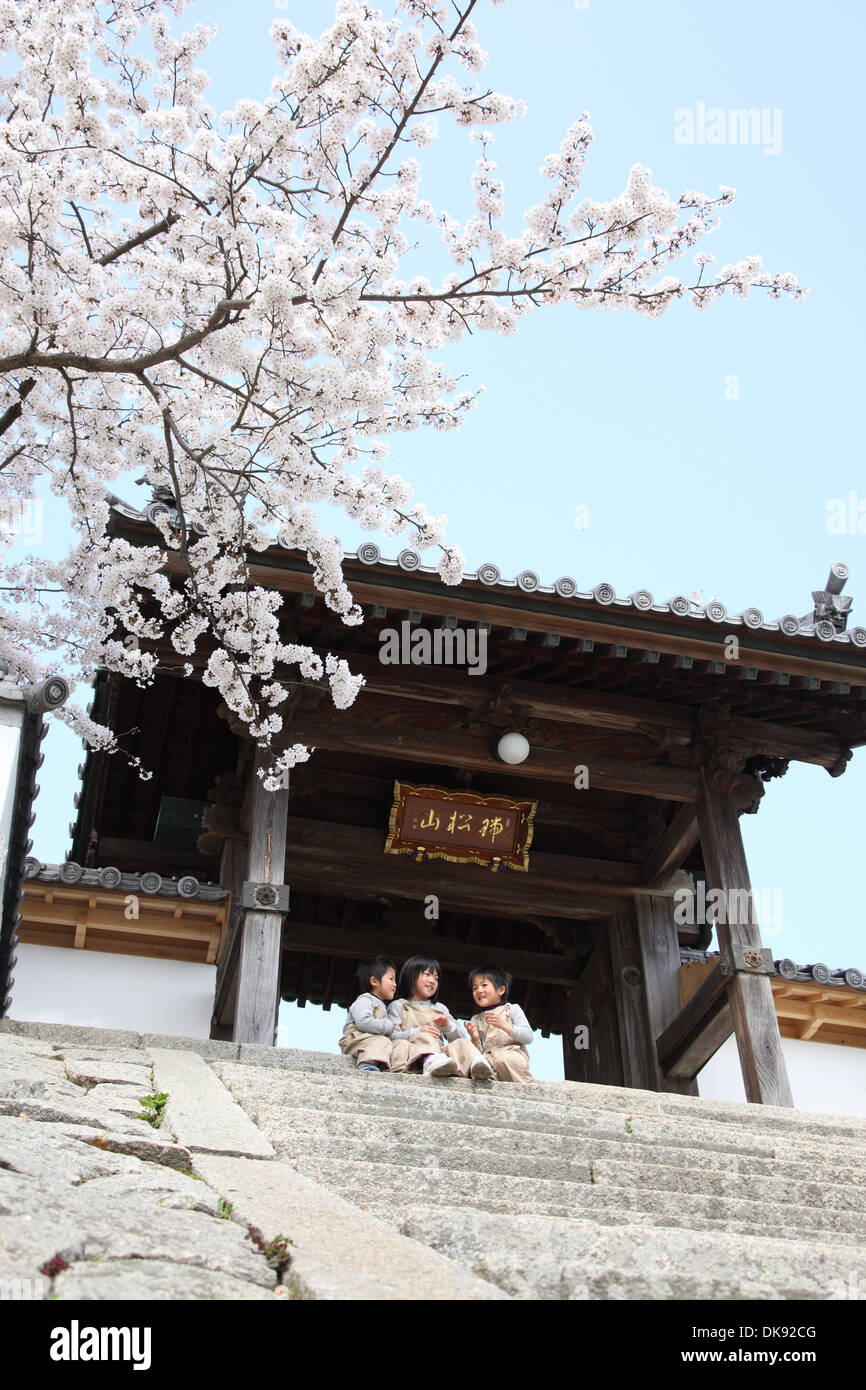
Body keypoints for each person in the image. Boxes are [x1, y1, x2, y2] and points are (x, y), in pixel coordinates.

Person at [388, 956, 494, 1080]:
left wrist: (446, 1025)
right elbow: (391, 1036)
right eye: (427, 974)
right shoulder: (398, 1006)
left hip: (440, 1057)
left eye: (436, 978)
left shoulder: (440, 1008)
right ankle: (429, 1061)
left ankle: (477, 1065)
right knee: (425, 1036)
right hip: (412, 1053)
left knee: (462, 1043)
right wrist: (417, 1032)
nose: (432, 981)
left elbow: (459, 1037)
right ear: (410, 976)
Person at [465, 965, 536, 1082]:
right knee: (476, 1064)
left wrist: (505, 1026)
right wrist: (475, 1040)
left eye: (484, 985)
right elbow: (479, 1051)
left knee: (503, 1060)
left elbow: (528, 1037)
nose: (479, 991)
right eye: (474, 988)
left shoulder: (512, 1009)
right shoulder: (476, 1019)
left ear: (501, 990)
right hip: (488, 1058)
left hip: (511, 1055)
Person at [339, 956, 398, 1072]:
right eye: (391, 979)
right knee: (382, 1041)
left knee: (398, 1045)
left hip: (371, 1042)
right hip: (356, 1041)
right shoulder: (365, 1000)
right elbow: (363, 1022)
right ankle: (366, 1065)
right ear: (374, 981)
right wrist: (387, 1026)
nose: (395, 984)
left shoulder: (382, 1007)